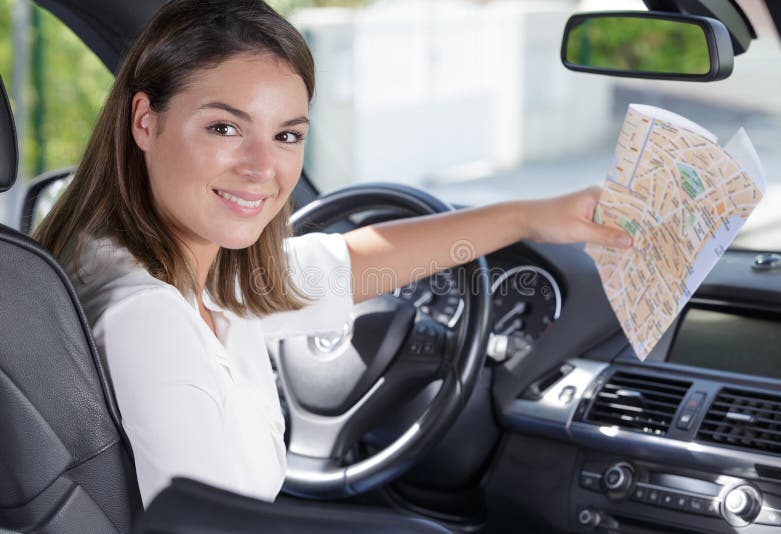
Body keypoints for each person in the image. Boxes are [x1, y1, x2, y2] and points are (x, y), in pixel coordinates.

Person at [34, 0, 632, 508]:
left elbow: (347, 265)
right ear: (145, 120)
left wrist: (531, 217)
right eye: (223, 128)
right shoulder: (149, 319)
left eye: (286, 135)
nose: (262, 169)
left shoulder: (172, 267)